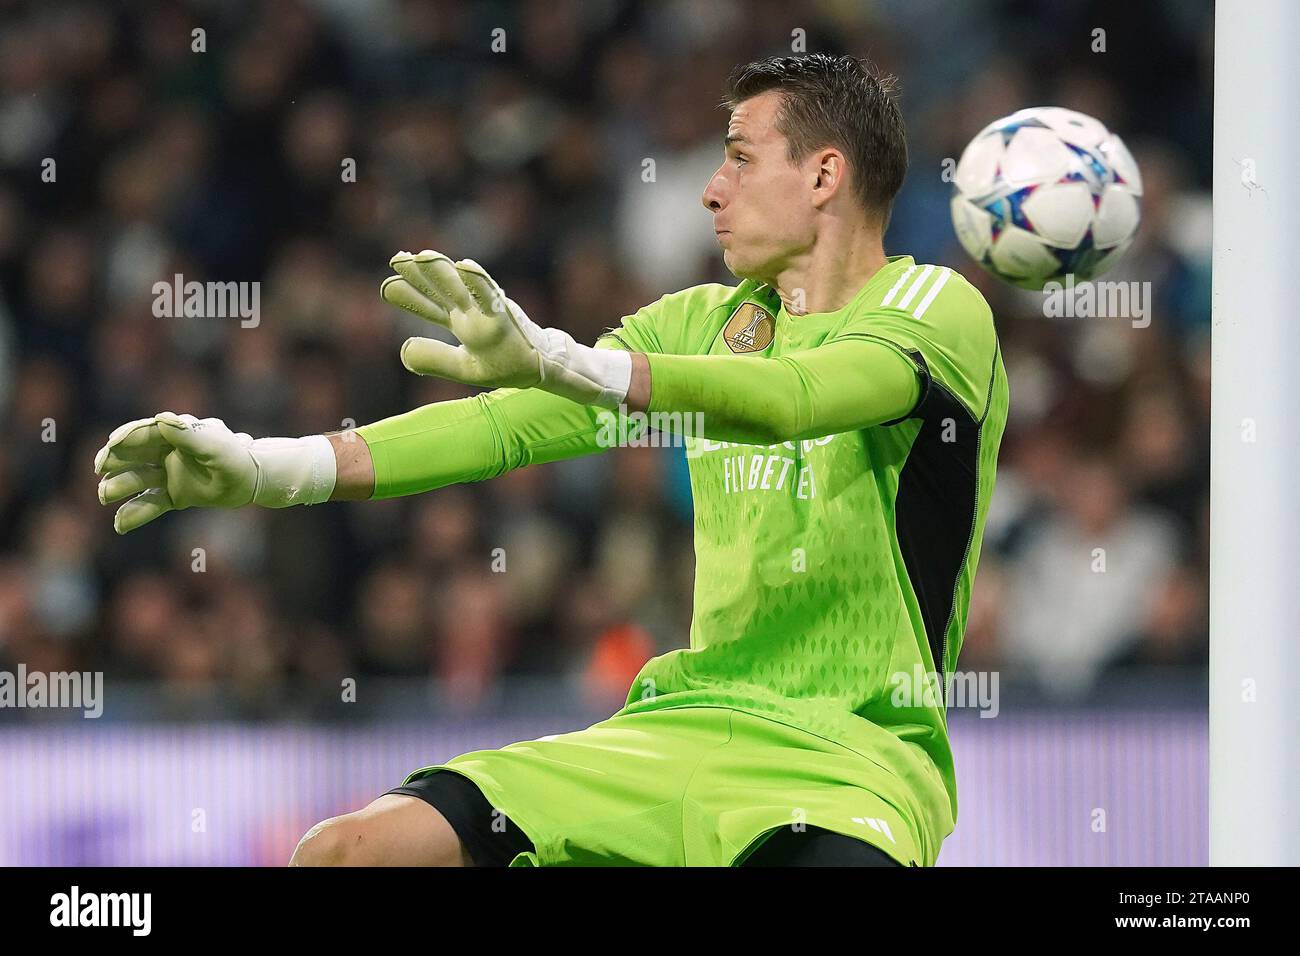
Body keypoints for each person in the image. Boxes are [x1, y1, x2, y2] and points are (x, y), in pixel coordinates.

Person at [94, 53, 1008, 867]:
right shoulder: (701, 322)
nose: (710, 188)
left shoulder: (936, 307)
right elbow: (506, 427)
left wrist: (572, 360)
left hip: (847, 766)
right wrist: (268, 468)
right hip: (674, 735)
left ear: (823, 174)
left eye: (738, 155)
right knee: (349, 851)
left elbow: (800, 398)